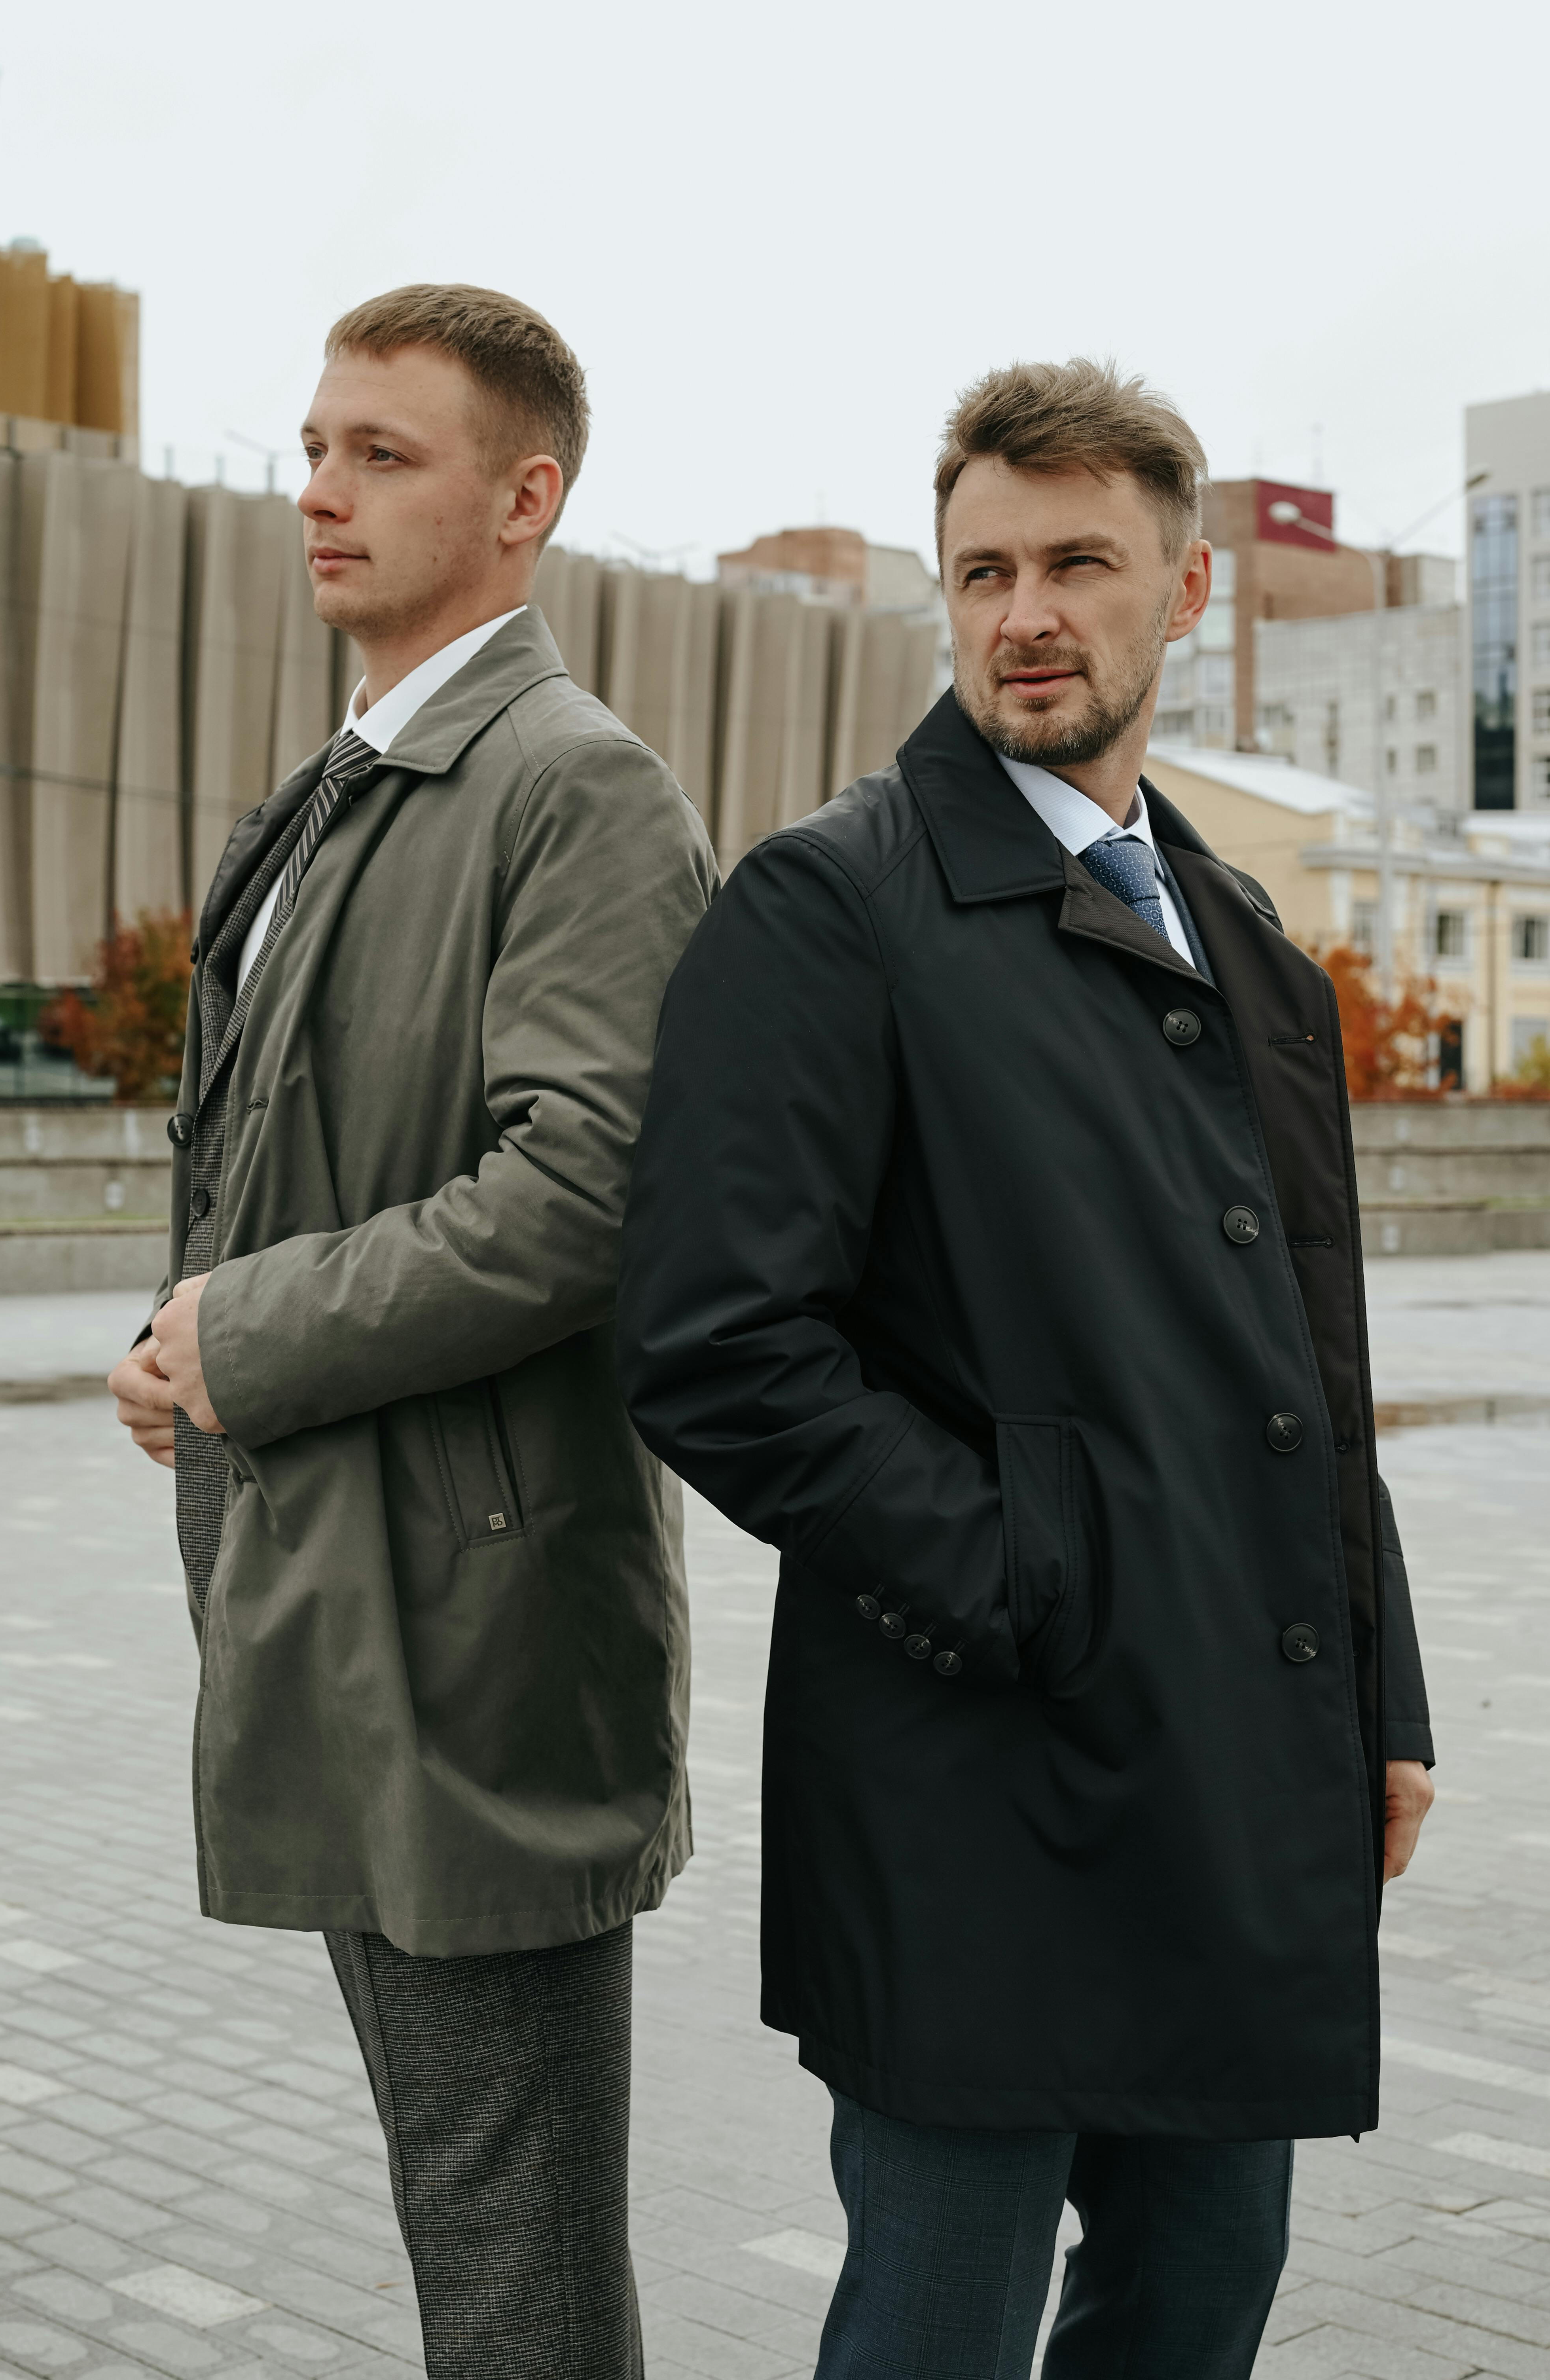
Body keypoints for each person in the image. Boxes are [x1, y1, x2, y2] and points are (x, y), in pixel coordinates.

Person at [616, 358, 1434, 2379]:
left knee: (1190, 2314)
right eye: (980, 571)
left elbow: (1308, 1376)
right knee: (938, 2333)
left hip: (1231, 1795)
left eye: (1077, 562)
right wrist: (1029, 1575)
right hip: (974, 1794)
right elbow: (714, 1349)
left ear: (1189, 591)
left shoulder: (1248, 946)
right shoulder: (832, 906)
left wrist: (1379, 1688)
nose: (1023, 614)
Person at [107, 283, 715, 2380]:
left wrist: (246, 1333)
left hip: (475, 1636)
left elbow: (584, 1202)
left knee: (508, 2239)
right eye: (312, 447)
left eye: (386, 453)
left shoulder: (576, 791)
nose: (321, 492)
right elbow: (280, 1169)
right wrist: (179, 1331)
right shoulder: (342, 790)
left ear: (527, 497)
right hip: (328, 1590)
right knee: (475, 2217)